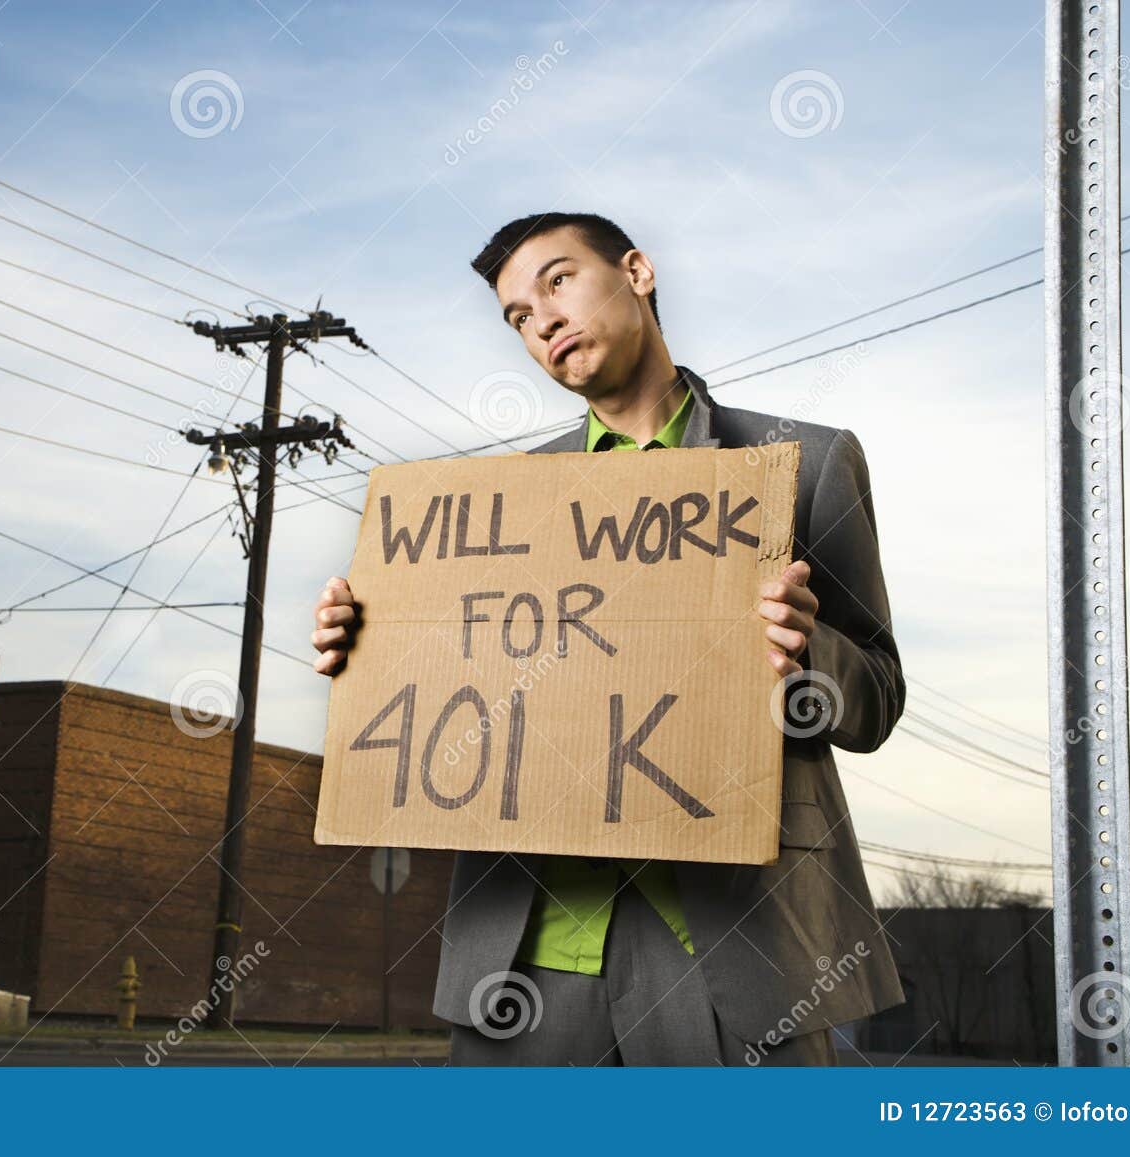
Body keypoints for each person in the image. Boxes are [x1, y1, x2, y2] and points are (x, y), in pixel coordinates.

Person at [310, 212, 907, 1066]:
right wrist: (366, 642)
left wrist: (809, 649)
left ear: (637, 272)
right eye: (518, 316)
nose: (543, 321)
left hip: (737, 946)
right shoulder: (500, 509)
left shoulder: (802, 464)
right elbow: (451, 680)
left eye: (558, 281)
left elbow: (878, 695)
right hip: (525, 958)